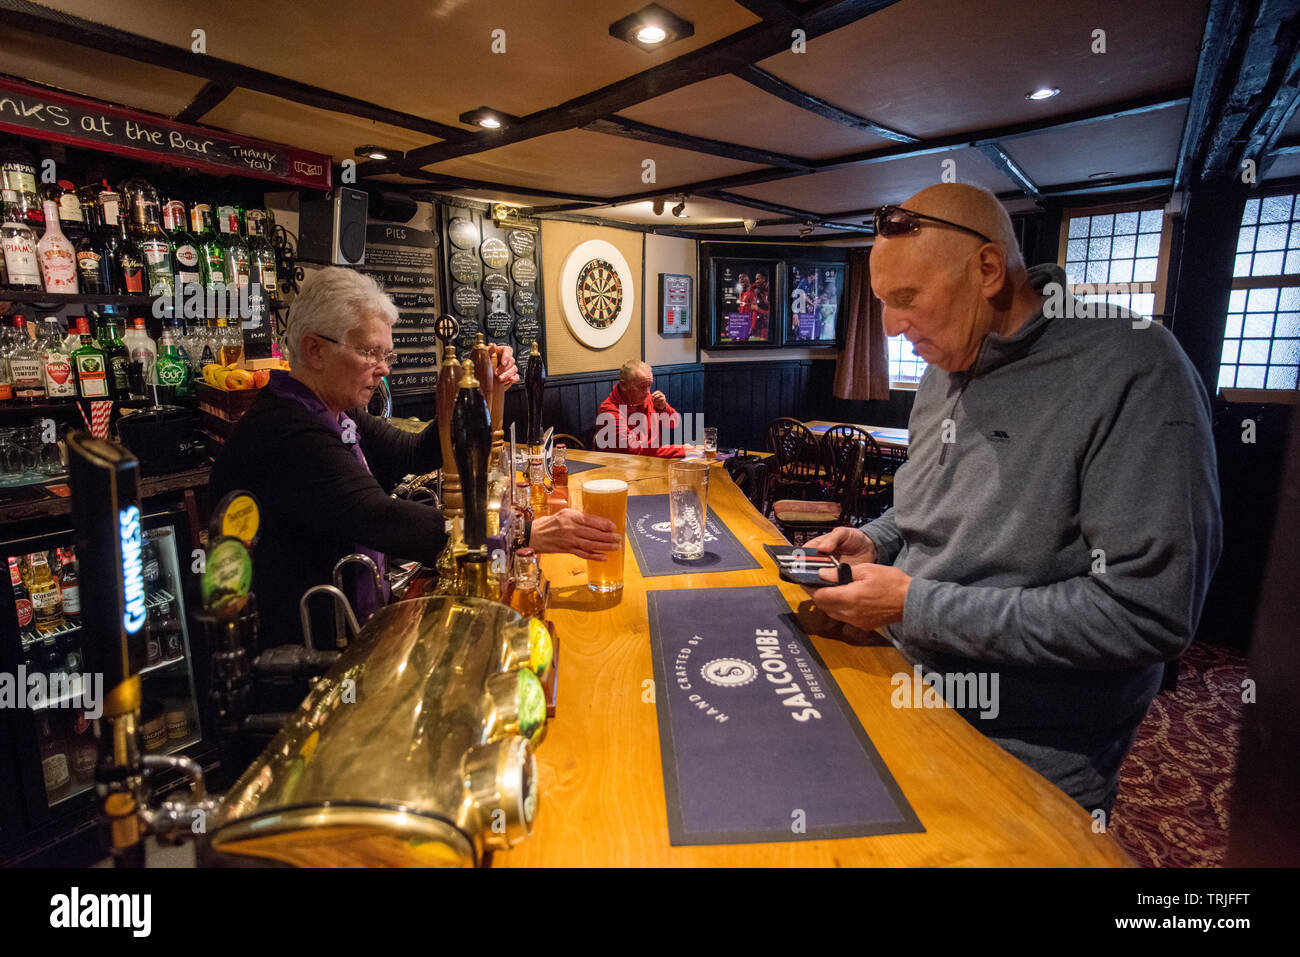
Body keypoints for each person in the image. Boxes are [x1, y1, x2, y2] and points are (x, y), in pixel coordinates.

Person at [805, 183, 1222, 817]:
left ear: (989, 269)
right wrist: (879, 538)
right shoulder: (944, 363)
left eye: (908, 298)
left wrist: (916, 604)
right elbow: (933, 505)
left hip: (1030, 751)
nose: (890, 325)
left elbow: (1146, 613)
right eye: (885, 303)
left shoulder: (1133, 365)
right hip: (903, 687)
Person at [210, 267, 621, 649]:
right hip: (303, 659)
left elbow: (417, 452)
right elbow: (378, 517)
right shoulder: (285, 428)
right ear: (315, 350)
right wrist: (521, 533)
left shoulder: (333, 413)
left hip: (345, 627)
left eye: (386, 355)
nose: (383, 370)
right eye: (371, 353)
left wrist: (478, 388)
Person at [593, 359, 687, 457]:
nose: (648, 392)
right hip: (624, 468)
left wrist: (663, 408)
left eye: (649, 385)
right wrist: (681, 450)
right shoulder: (609, 411)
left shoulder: (648, 399)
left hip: (652, 464)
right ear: (624, 385)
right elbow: (636, 452)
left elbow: (674, 423)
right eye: (642, 387)